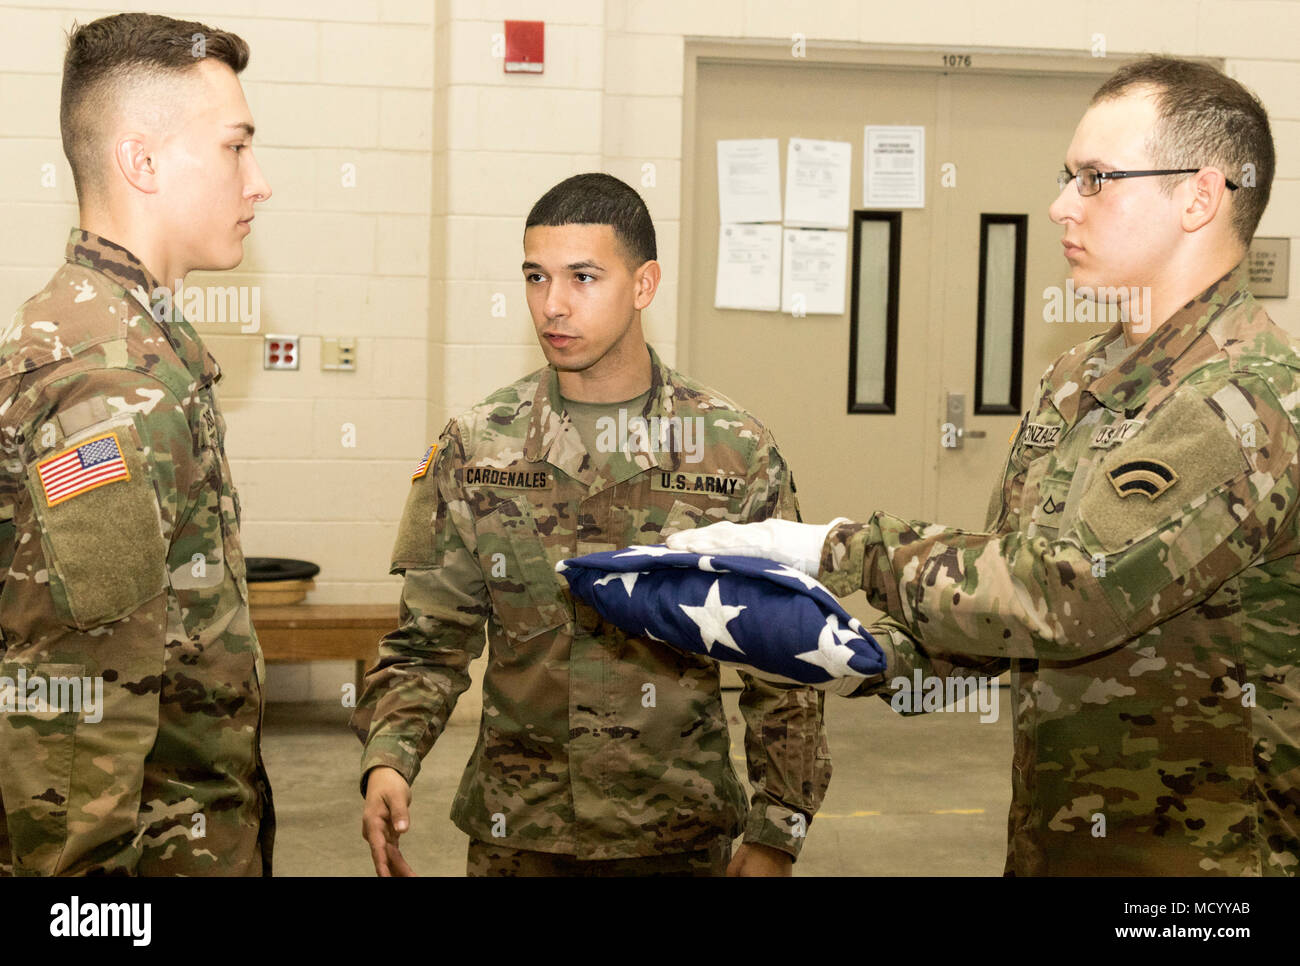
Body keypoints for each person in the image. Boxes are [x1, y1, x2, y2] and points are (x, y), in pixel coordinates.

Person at [668, 56, 1299, 876]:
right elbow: (1004, 603)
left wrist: (840, 550)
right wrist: (853, 652)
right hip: (1055, 838)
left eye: (1095, 179)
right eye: (1066, 177)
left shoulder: (1248, 401)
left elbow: (1064, 596)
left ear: (1200, 196)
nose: (1060, 205)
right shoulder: (1076, 379)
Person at [350, 173, 831, 877]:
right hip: (521, 833)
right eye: (536, 277)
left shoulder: (733, 452)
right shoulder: (478, 446)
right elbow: (429, 640)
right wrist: (388, 759)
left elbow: (785, 659)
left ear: (644, 285)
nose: (553, 305)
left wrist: (777, 828)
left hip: (677, 832)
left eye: (583, 277)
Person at [0, 13, 274, 875]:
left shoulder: (132, 345)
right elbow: (78, 738)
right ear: (142, 161)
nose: (259, 182)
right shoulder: (113, 389)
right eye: (236, 148)